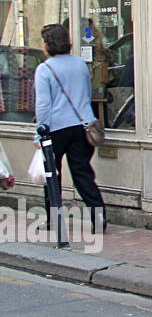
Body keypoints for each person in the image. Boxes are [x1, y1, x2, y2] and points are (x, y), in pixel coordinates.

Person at [33, 23, 106, 232]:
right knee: (83, 174)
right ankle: (98, 215)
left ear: (48, 44)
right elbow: (86, 95)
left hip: (55, 128)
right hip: (82, 126)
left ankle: (54, 219)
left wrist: (40, 133)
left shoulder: (44, 69)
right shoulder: (81, 64)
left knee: (52, 176)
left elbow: (43, 105)